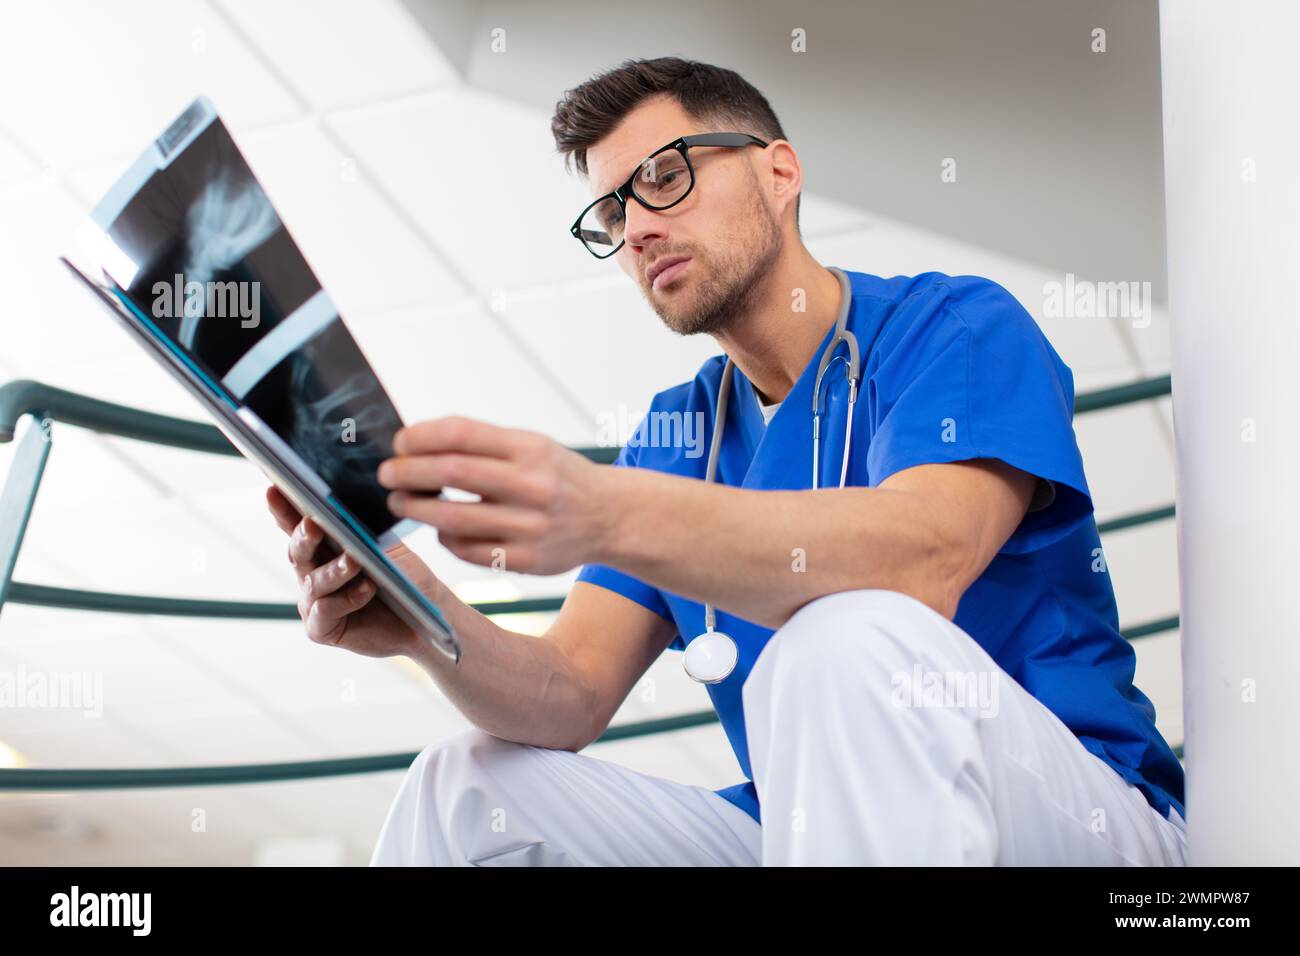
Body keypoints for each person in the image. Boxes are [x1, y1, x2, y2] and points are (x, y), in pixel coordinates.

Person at [264, 57, 1186, 866]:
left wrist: (608, 511)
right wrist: (423, 617)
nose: (637, 230)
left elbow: (922, 561)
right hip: (805, 828)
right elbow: (569, 693)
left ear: (779, 171)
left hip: (1074, 811)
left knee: (846, 639)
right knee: (464, 786)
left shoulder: (953, 328)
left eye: (664, 178)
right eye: (613, 211)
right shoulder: (678, 436)